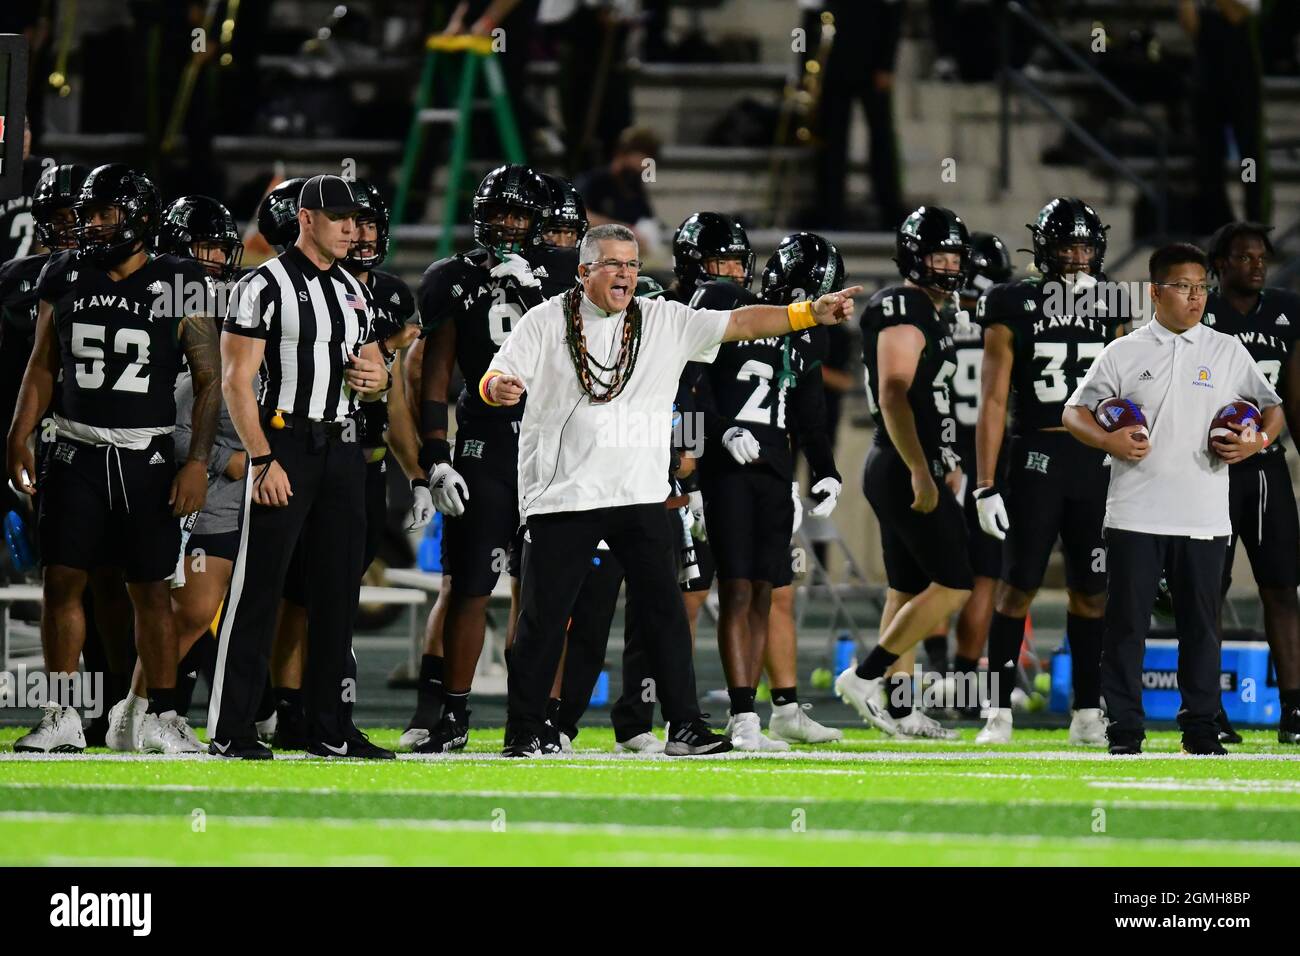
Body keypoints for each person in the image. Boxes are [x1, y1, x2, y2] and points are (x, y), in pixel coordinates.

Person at [482, 222, 862, 757]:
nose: (625, 274)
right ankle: (525, 730)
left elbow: (739, 323)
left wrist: (807, 313)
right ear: (584, 269)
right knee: (545, 619)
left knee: (664, 610)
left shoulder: (662, 318)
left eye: (633, 264)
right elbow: (496, 374)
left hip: (639, 494)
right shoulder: (546, 320)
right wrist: (498, 387)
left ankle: (684, 726)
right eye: (613, 263)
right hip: (566, 493)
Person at [8, 163, 221, 754]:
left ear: (143, 218)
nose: (94, 224)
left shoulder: (180, 279)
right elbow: (43, 362)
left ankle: (163, 715)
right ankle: (61, 714)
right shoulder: (66, 270)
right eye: (91, 213)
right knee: (61, 581)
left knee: (150, 589)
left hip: (145, 453)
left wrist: (197, 461)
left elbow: (209, 380)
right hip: (73, 447)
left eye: (107, 213)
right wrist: (19, 431)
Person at [1062, 242, 1282, 755]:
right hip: (1135, 511)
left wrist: (1257, 442)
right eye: (1183, 287)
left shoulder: (1226, 349)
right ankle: (1124, 732)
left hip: (1205, 514)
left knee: (1202, 628)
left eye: (1202, 287)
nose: (1196, 297)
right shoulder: (1124, 351)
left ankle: (1201, 731)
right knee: (1126, 627)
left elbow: (1270, 408)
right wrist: (1105, 439)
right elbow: (1076, 412)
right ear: (1156, 292)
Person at [208, 174, 394, 760]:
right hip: (283, 439)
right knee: (257, 589)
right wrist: (263, 458)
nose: (351, 228)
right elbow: (237, 380)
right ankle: (231, 727)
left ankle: (328, 725)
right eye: (338, 217)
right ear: (306, 218)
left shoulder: (353, 291)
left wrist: (377, 379)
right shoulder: (263, 285)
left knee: (338, 591)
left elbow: (371, 370)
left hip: (342, 446)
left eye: (356, 219)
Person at [403, 164, 549, 754]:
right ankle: (452, 714)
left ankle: (532, 717)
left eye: (520, 215)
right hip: (487, 444)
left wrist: (537, 292)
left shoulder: (560, 277)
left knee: (543, 591)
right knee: (469, 585)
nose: (509, 226)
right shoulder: (451, 277)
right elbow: (433, 374)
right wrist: (435, 457)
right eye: (501, 212)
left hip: (549, 451)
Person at [970, 199, 1126, 745]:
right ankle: (997, 710)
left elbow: (1134, 389)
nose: (1079, 258)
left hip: (1098, 458)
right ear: (1045, 249)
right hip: (1036, 455)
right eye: (1068, 247)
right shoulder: (1011, 301)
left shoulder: (1114, 301)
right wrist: (985, 482)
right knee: (1016, 588)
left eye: (1086, 247)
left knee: (1093, 592)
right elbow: (992, 399)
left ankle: (1087, 709)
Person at [103, 193, 247, 751]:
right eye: (201, 246)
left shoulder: (239, 302)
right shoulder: (168, 304)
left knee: (214, 613)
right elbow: (182, 419)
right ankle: (138, 712)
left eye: (219, 247)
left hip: (254, 491)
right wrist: (225, 460)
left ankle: (161, 714)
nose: (212, 260)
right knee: (187, 611)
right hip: (199, 488)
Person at [690, 231, 845, 749]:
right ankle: (740, 714)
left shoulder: (808, 335)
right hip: (726, 465)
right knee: (735, 587)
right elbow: (692, 378)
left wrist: (824, 470)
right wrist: (718, 431)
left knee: (765, 589)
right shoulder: (726, 304)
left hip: (774, 468)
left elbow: (810, 414)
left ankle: (756, 711)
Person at [834, 206, 971, 737]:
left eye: (954, 254)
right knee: (955, 583)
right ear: (915, 257)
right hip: (899, 461)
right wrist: (920, 467)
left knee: (907, 588)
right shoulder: (903, 303)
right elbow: (894, 392)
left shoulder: (927, 307)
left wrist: (944, 460)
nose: (949, 264)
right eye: (938, 254)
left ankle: (899, 704)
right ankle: (867, 675)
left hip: (909, 459)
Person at [1202, 221, 1300, 744]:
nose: (1257, 265)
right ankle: (1208, 707)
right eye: (1244, 257)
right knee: (1206, 591)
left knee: (1283, 586)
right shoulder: (1201, 312)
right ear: (1219, 265)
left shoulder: (1285, 311)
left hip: (1262, 467)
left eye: (1261, 256)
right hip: (1206, 468)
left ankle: (1294, 708)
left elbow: (1293, 398)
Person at [922, 231, 1013, 717]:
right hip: (988, 460)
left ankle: (934, 675)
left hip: (936, 453)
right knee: (984, 576)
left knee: (933, 573)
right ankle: (960, 683)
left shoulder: (931, 316)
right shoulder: (1005, 321)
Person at [813, 0, 905, 231]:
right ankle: (830, 210)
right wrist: (808, 66)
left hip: (872, 52)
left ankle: (890, 207)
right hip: (835, 58)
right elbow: (810, 12)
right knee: (832, 138)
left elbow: (893, 10)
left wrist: (886, 63)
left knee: (881, 135)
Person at [575, 126, 662, 253]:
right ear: (623, 153)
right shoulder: (595, 180)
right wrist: (623, 230)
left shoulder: (633, 186)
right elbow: (580, 215)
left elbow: (646, 220)